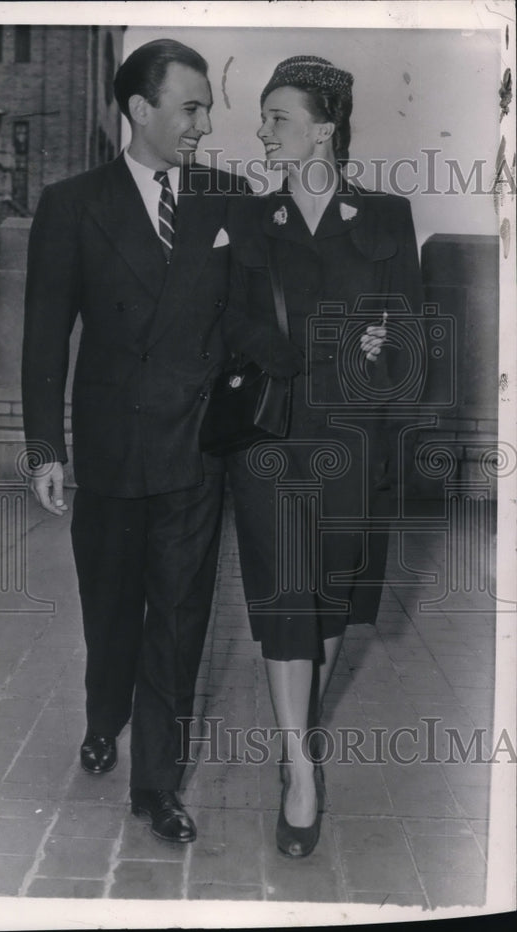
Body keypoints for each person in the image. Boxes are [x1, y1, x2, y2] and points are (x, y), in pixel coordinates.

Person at [22, 38, 247, 844]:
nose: (204, 125)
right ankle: (102, 714)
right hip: (112, 448)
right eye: (191, 108)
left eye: (207, 109)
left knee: (180, 618)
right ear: (140, 110)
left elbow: (254, 316)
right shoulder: (72, 204)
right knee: (112, 608)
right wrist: (45, 448)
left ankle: (157, 785)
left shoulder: (229, 198)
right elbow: (45, 337)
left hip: (195, 449)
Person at [225, 56, 423, 857]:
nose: (263, 130)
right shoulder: (248, 220)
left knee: (330, 598)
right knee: (287, 594)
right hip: (272, 439)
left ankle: (298, 736)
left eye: (277, 117)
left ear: (324, 130)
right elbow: (233, 326)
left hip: (353, 438)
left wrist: (380, 354)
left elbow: (411, 337)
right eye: (264, 116)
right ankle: (301, 772)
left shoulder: (386, 216)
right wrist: (327, 343)